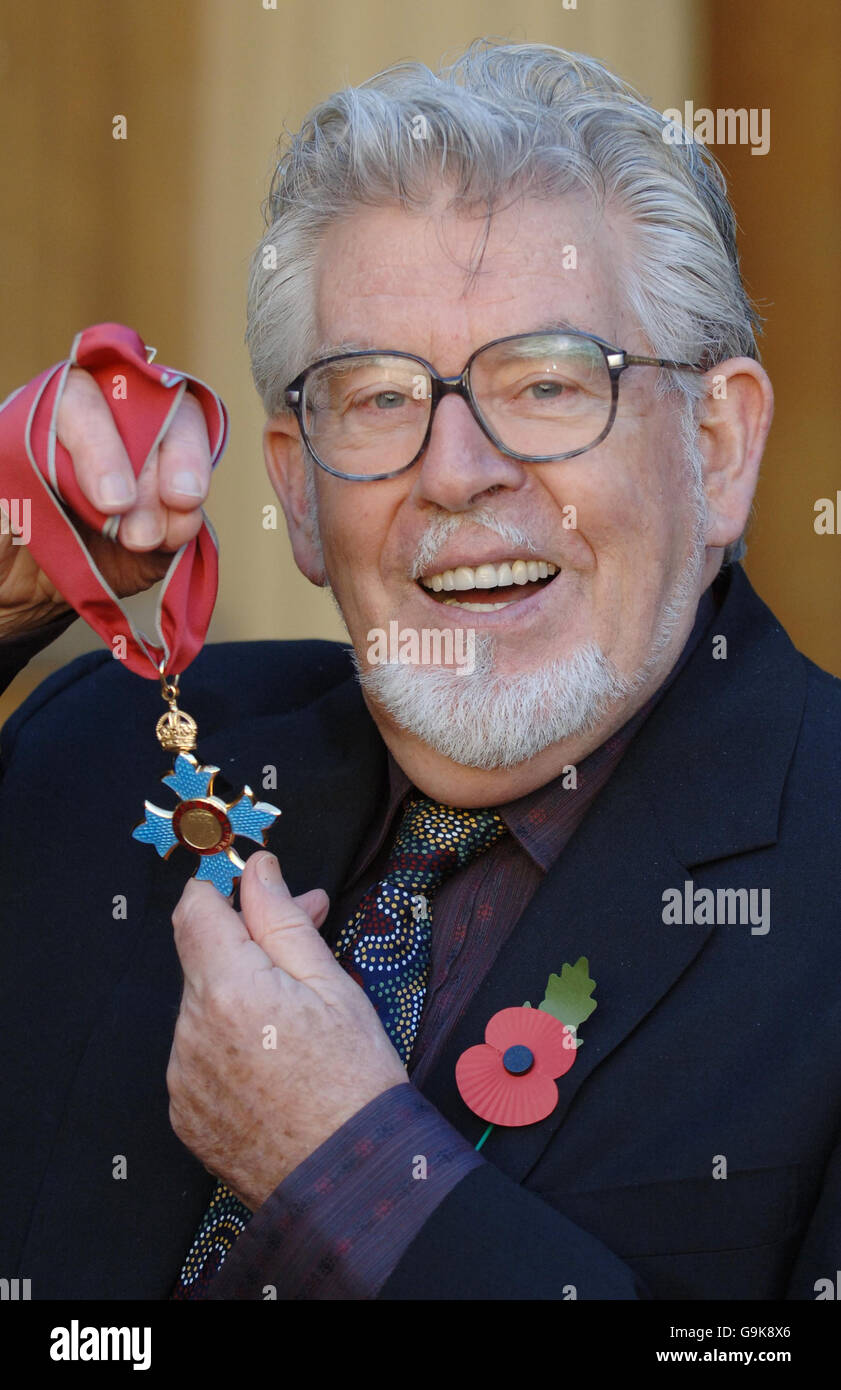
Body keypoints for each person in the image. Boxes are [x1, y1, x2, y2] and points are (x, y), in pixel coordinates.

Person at [1, 40, 839, 1303]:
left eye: (551, 382)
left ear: (716, 447)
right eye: (378, 398)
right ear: (292, 480)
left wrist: (348, 1171)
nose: (456, 470)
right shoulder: (105, 747)